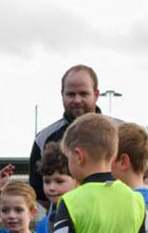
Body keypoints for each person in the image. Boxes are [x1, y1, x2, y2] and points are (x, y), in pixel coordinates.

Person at [29, 64, 104, 206]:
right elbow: (38, 193)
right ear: (62, 94)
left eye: (83, 94)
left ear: (96, 94)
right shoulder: (43, 138)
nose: (77, 100)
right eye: (71, 94)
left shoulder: (119, 133)